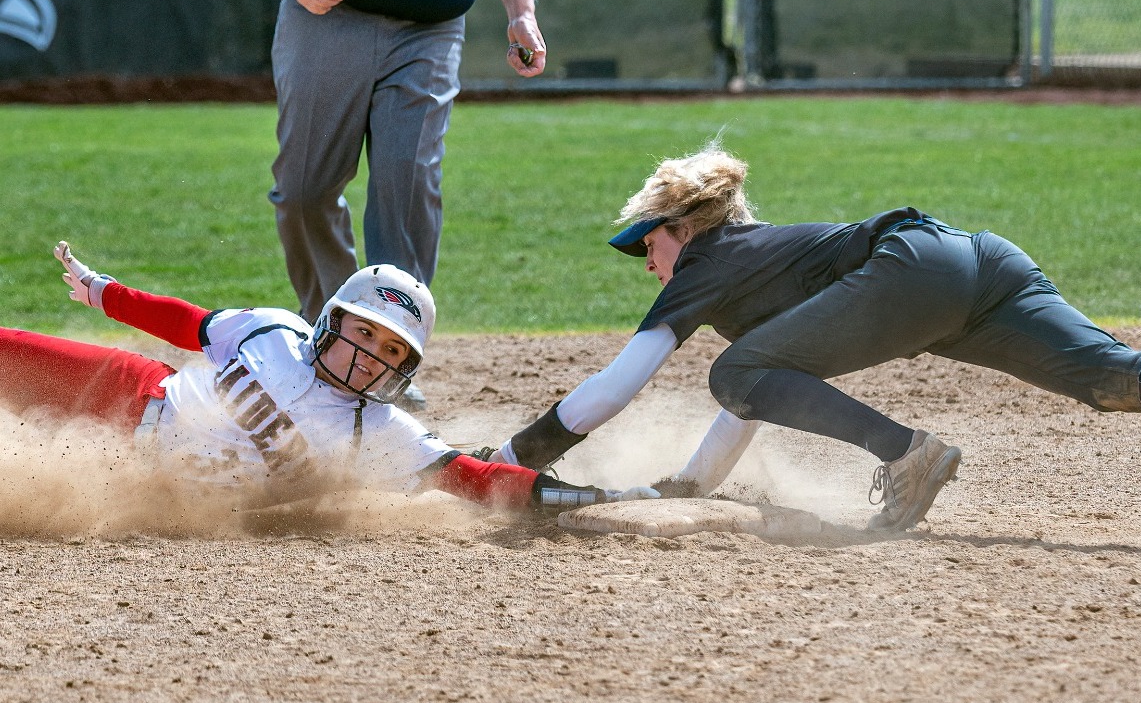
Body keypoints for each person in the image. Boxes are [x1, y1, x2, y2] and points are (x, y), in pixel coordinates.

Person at [479, 143, 1141, 531]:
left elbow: (625, 383)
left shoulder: (711, 257)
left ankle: (905, 452)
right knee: (1107, 376)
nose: (649, 264)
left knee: (734, 368)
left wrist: (521, 453)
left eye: (649, 245)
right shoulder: (754, 270)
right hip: (974, 263)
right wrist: (691, 486)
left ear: (685, 226)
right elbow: (753, 395)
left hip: (911, 266)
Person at [0, 242, 654, 515]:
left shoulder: (377, 429)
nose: (369, 353)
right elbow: (190, 324)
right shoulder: (274, 332)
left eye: (389, 348)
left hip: (151, 485)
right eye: (364, 330)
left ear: (403, 368)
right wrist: (103, 293)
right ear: (333, 319)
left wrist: (568, 497)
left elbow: (470, 476)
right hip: (137, 391)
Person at [238, 0, 548, 411]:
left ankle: (385, 355)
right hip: (326, 13)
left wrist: (522, 11)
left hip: (431, 28)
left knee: (408, 185)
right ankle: (332, 341)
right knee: (303, 192)